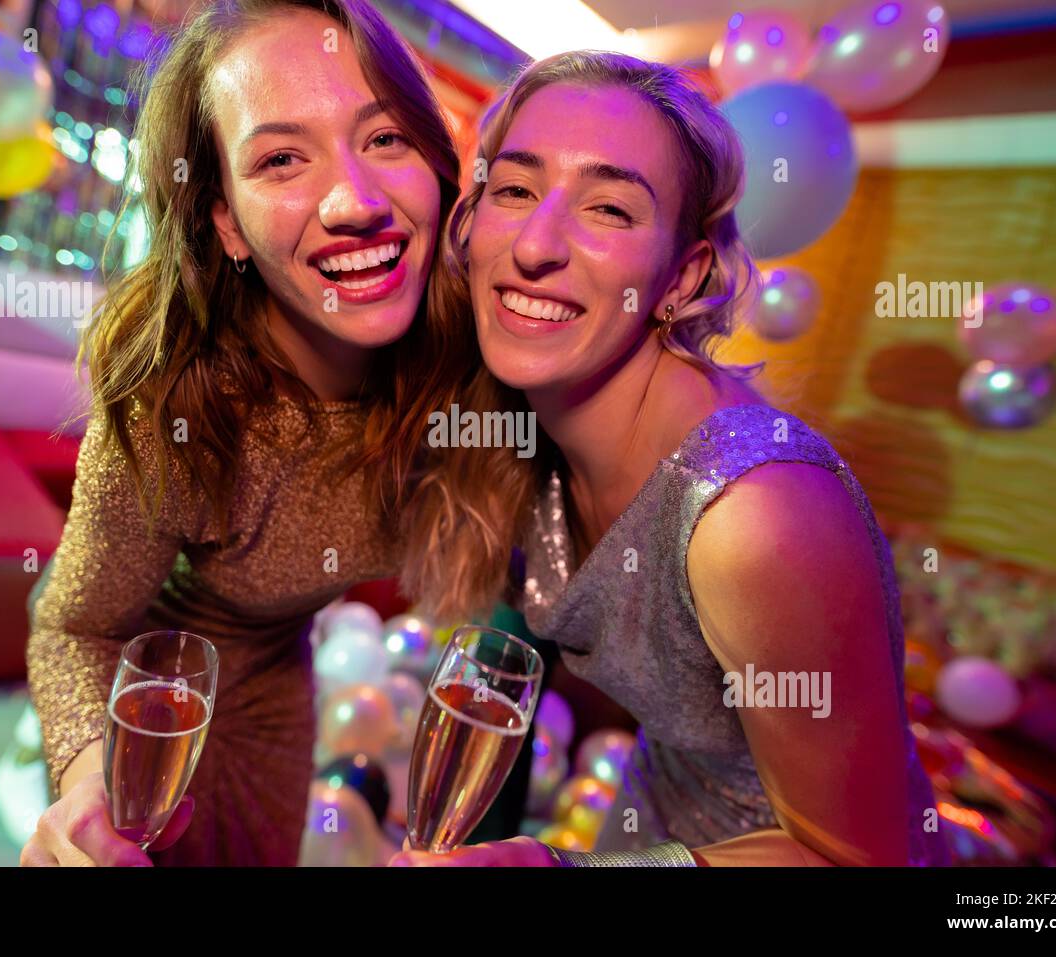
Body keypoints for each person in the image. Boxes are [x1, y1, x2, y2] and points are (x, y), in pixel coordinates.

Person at [392, 51, 949, 867]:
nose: (536, 244)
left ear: (681, 280)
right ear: (470, 223)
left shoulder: (755, 514)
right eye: (514, 189)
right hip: (653, 819)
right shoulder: (523, 418)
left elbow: (854, 860)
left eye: (610, 208)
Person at [21, 0, 460, 866]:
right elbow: (73, 627)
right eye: (282, 158)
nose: (355, 200)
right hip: (154, 699)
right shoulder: (176, 408)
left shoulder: (469, 363)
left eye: (384, 139)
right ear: (226, 222)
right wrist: (84, 788)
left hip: (279, 683)